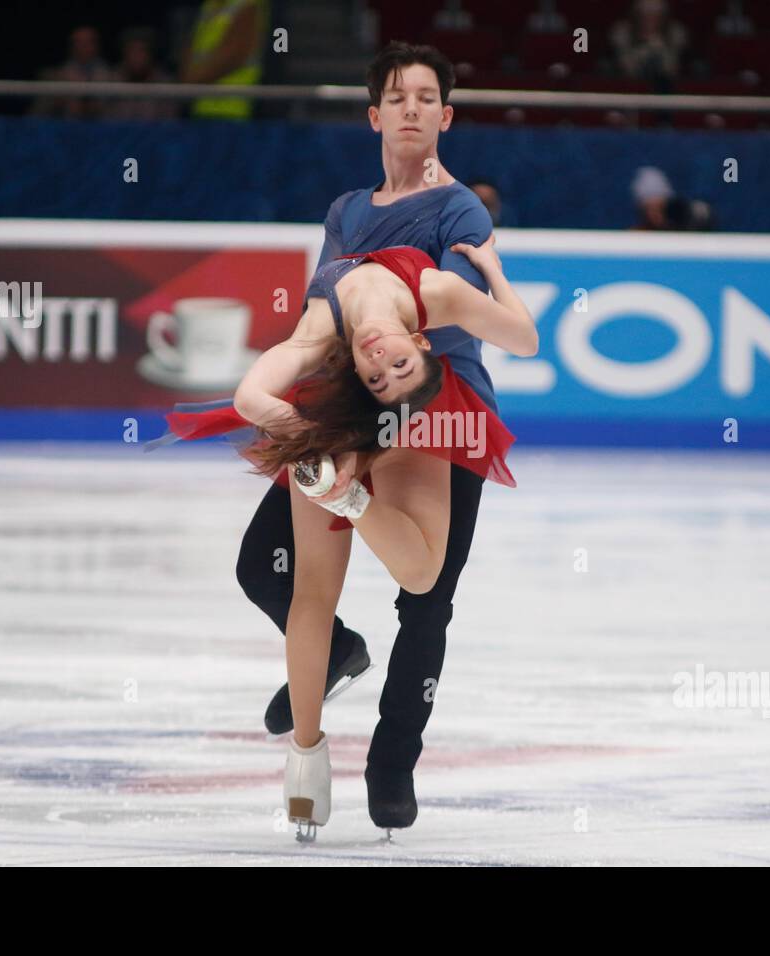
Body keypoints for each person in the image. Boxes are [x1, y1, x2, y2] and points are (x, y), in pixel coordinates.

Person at [150, 239, 536, 837]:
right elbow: (252, 398)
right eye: (381, 371)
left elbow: (525, 339)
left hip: (424, 416)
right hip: (339, 416)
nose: (381, 358)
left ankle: (349, 499)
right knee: (312, 592)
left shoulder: (438, 296)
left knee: (423, 575)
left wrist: (493, 271)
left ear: (424, 340)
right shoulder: (325, 328)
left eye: (394, 364)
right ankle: (306, 755)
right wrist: (316, 438)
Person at [234, 42, 510, 834]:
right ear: (375, 115)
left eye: (427, 97)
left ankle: (392, 765)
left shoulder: (461, 210)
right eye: (398, 97)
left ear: (446, 116)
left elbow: (455, 311)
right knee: (263, 567)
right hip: (355, 410)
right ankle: (336, 652)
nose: (413, 108)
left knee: (426, 604)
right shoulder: (347, 212)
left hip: (443, 417)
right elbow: (324, 317)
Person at [181, 0, 269, 120]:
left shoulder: (248, 4)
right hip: (199, 107)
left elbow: (233, 55)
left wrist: (189, 84)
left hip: (233, 112)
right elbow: (192, 47)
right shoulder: (209, 5)